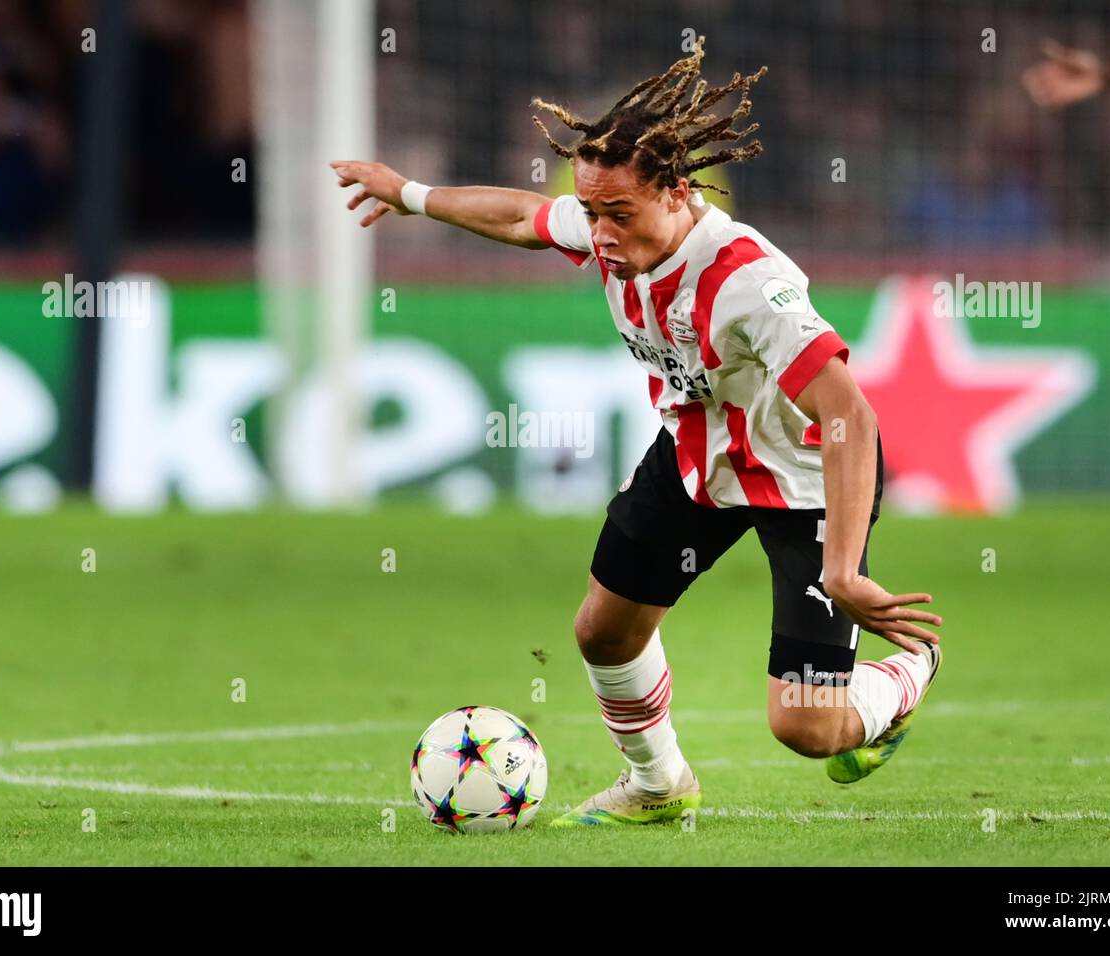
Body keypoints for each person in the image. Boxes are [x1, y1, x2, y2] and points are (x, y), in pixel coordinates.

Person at [332, 37, 943, 827]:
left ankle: (911, 669)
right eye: (591, 212)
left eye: (618, 213)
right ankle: (659, 783)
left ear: (680, 192)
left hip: (800, 480)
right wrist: (408, 191)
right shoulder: (608, 223)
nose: (601, 233)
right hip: (695, 459)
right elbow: (523, 215)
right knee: (604, 630)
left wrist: (845, 570)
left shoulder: (745, 282)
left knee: (807, 729)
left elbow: (849, 415)